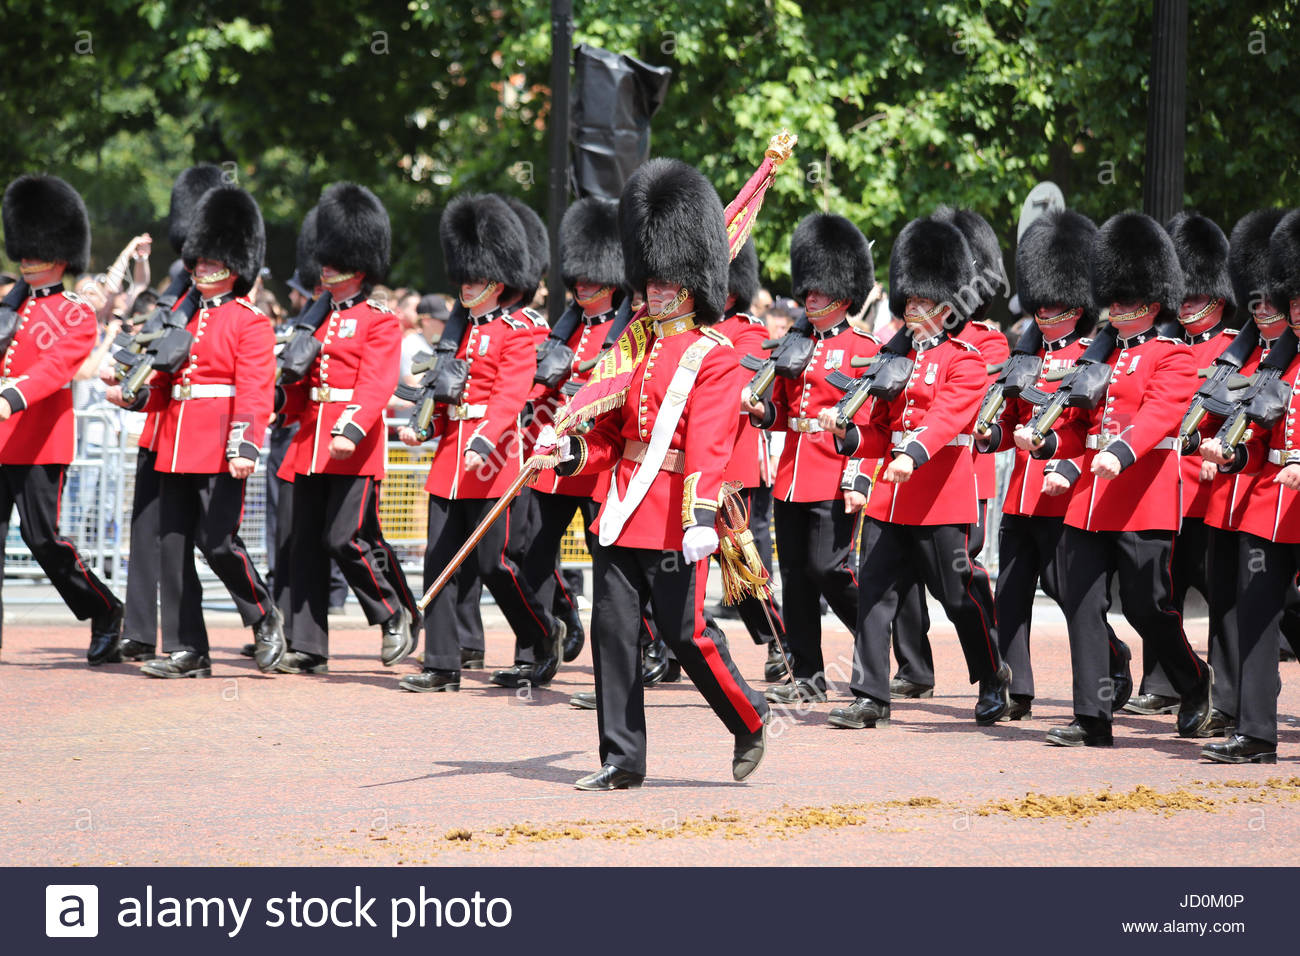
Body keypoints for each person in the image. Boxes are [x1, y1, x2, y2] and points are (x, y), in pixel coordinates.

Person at [538, 157, 769, 789]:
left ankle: (749, 717)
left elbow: (709, 442)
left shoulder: (714, 356)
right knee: (614, 631)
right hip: (620, 505)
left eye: (668, 280)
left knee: (685, 633)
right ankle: (621, 759)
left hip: (675, 513)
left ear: (692, 284)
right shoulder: (631, 346)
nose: (655, 290)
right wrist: (570, 452)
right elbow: (613, 431)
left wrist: (700, 518)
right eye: (652, 279)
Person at [1016, 212, 1213, 746]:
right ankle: (1092, 717)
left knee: (1150, 607)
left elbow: (1159, 416)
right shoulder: (1095, 360)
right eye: (1114, 299)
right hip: (1089, 498)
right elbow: (1081, 427)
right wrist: (1050, 449)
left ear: (1151, 303)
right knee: (1081, 600)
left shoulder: (1173, 356)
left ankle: (1195, 681)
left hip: (1143, 496)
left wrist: (1121, 454)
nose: (1116, 308)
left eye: (1126, 301)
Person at [821, 215, 1011, 728]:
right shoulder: (894, 359)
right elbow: (881, 427)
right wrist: (848, 436)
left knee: (958, 598)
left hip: (940, 495)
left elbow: (951, 415)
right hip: (891, 496)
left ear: (946, 307)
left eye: (922, 305)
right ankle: (870, 695)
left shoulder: (965, 359)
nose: (913, 312)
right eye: (908, 304)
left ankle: (993, 677)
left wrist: (915, 452)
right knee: (875, 594)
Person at [108, 183, 285, 678]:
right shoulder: (182, 320)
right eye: (198, 260)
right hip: (174, 441)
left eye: (211, 261)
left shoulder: (249, 322)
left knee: (220, 540)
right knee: (172, 547)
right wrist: (137, 395)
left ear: (233, 264)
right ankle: (189, 650)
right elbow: (167, 384)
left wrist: (246, 443)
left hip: (220, 443)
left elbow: (254, 390)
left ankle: (263, 613)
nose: (201, 268)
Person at [396, 193, 563, 693]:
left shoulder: (519, 330)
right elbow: (446, 391)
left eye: (476, 277)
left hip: (498, 459)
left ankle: (541, 632)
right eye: (463, 277)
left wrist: (484, 440)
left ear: (498, 278)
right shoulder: (460, 332)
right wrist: (422, 427)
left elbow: (511, 394)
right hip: (452, 458)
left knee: (495, 563)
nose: (466, 284)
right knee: (439, 559)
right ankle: (442, 663)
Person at [976, 208, 1131, 720]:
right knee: (1011, 595)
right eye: (1040, 303)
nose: (1044, 312)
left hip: (1063, 494)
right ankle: (1015, 689)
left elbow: (1092, 432)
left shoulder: (1093, 356)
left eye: (1055, 304)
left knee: (1069, 596)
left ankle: (1114, 657)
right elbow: (1012, 421)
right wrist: (991, 434)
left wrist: (1059, 459)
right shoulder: (1027, 356)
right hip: (1022, 494)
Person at [274, 182, 419, 674]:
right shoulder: (315, 319)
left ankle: (393, 612)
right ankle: (308, 644)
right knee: (302, 544)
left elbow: (376, 383)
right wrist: (280, 397)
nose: (325, 266)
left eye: (335, 260)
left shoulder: (379, 319)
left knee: (347, 538)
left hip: (351, 444)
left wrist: (350, 430)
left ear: (359, 265)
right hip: (310, 439)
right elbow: (305, 380)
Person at [743, 214, 879, 704]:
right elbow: (783, 412)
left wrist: (857, 476)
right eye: (809, 291)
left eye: (820, 293)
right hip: (791, 475)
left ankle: (874, 631)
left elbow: (870, 425)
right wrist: (763, 411)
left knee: (830, 570)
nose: (811, 299)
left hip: (833, 471)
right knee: (797, 578)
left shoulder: (864, 349)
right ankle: (808, 674)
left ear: (843, 295)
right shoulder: (795, 346)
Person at [0, 174, 124, 664]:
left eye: (34, 251)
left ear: (58, 255)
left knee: (43, 540)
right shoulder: (9, 307)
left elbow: (55, 370)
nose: (25, 259)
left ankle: (106, 609)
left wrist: (12, 395)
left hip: (38, 441)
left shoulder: (75, 314)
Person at [890, 207, 1012, 700]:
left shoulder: (982, 345)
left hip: (958, 477)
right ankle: (909, 669)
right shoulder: (905, 345)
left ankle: (991, 668)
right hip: (901, 483)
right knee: (892, 584)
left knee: (954, 587)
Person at [1129, 212, 1242, 734]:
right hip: (1169, 491)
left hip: (1212, 490)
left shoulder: (1235, 347)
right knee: (1162, 592)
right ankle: (1161, 682)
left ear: (1217, 296)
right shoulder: (1168, 345)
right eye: (1185, 296)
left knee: (1227, 599)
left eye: (1197, 297)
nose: (1188, 306)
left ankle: (1236, 693)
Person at [510, 196, 625, 684]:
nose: (582, 285)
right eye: (577, 277)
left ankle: (646, 648)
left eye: (591, 276)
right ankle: (544, 638)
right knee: (527, 553)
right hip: (558, 463)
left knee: (613, 565)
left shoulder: (628, 330)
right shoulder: (566, 328)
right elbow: (536, 389)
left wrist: (580, 372)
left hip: (597, 462)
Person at [1200, 207, 1300, 763]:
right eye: (1295, 303)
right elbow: (1261, 431)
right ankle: (1258, 733)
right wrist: (1231, 453)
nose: (1296, 313)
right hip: (1272, 501)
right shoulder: (1279, 365)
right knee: (1257, 611)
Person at [115, 164, 226, 663]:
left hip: (192, 430)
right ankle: (139, 629)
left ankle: (189, 639)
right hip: (159, 426)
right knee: (147, 532)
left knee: (188, 539)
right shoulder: (177, 286)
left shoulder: (216, 288)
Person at [714, 240, 788, 680]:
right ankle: (661, 648)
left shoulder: (749, 331)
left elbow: (743, 393)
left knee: (741, 564)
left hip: (737, 467)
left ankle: (779, 643)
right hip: (691, 464)